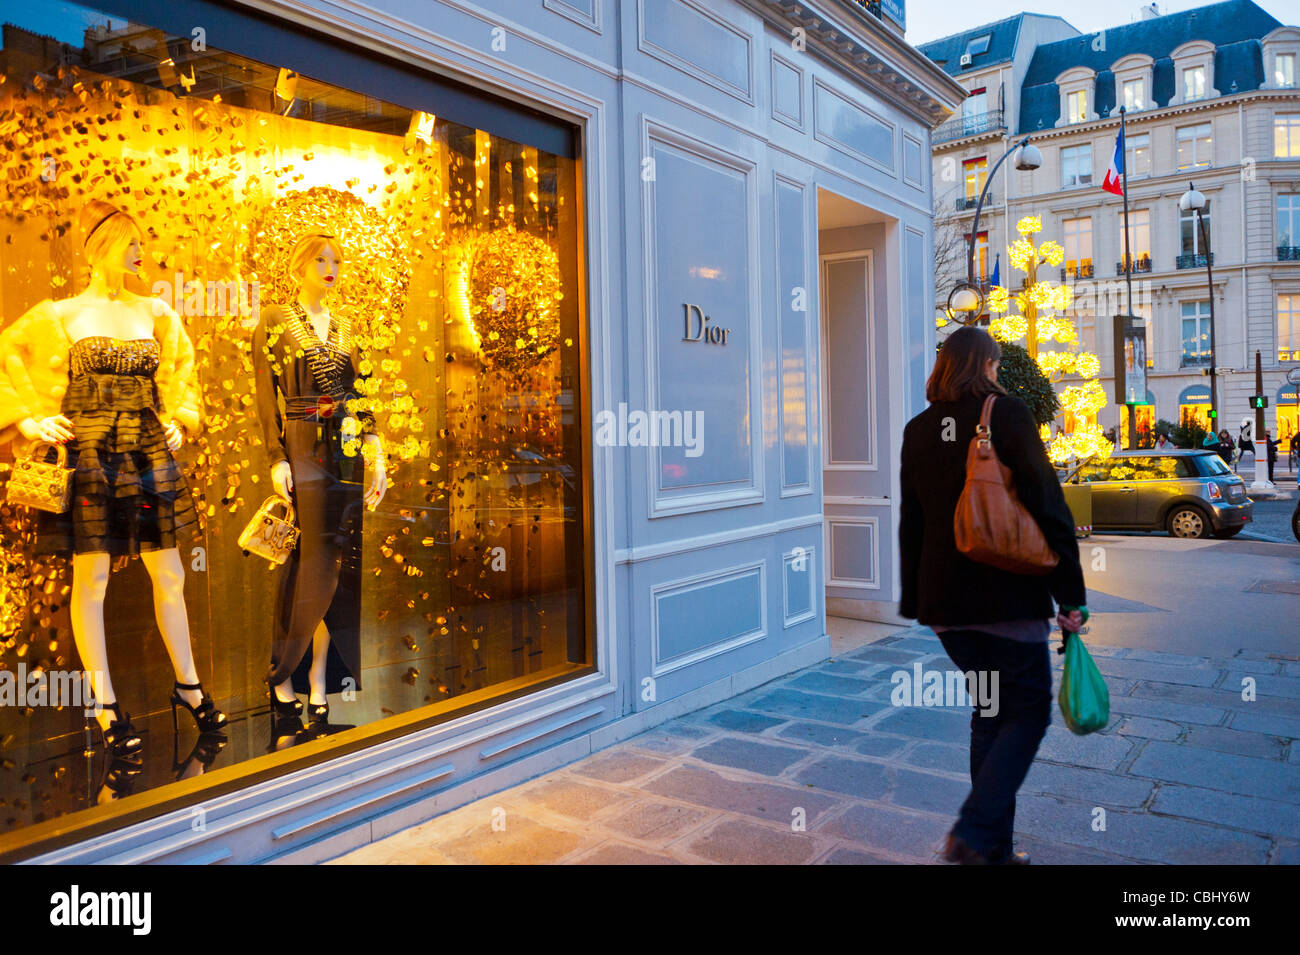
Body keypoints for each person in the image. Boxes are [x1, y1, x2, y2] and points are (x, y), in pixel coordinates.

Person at [0, 201, 226, 760]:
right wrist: (28, 418)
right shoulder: (60, 314)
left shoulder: (156, 312)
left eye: (140, 242)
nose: (140, 250)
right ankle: (103, 705)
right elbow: (8, 355)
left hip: (146, 451)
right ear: (102, 248)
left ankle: (188, 684)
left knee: (169, 572)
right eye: (130, 242)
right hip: (90, 451)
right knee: (92, 575)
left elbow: (179, 372)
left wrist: (176, 419)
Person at [899, 326, 1087, 866]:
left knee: (989, 714)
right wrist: (1070, 596)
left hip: (948, 611)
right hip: (1006, 601)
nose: (998, 373)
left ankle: (992, 854)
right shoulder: (1005, 414)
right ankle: (975, 833)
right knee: (1026, 715)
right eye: (996, 365)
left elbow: (912, 520)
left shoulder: (918, 428)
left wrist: (918, 601)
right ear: (985, 366)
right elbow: (1048, 503)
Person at [252, 232, 387, 727]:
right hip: (303, 443)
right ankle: (283, 674)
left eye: (336, 259)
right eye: (320, 258)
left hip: (347, 448)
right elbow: (266, 394)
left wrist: (378, 455)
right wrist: (276, 456)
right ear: (300, 263)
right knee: (308, 563)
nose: (330, 266)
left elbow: (364, 395)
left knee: (342, 562)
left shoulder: (351, 325)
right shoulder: (272, 320)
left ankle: (318, 679)